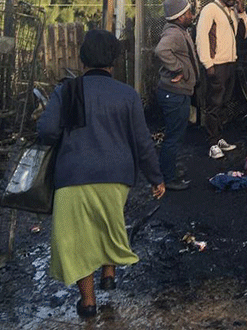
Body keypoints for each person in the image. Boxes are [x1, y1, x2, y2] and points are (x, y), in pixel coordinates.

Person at [37, 29, 165, 319]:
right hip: (116, 178)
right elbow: (142, 141)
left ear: (82, 58)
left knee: (80, 241)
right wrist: (156, 178)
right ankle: (109, 272)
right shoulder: (127, 95)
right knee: (108, 223)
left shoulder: (66, 91)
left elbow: (45, 131)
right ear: (113, 60)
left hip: (73, 176)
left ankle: (89, 303)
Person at [195, 0, 247, 159]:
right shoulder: (209, 10)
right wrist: (207, 64)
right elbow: (201, 37)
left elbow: (243, 33)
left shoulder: (232, 11)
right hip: (216, 65)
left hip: (230, 63)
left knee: (224, 102)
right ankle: (212, 142)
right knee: (213, 104)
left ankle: (219, 138)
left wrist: (241, 13)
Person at [154, 0, 199, 190]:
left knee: (175, 135)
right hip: (174, 94)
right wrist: (179, 69)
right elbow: (161, 50)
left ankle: (168, 170)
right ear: (180, 17)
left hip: (176, 93)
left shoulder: (179, 31)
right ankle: (169, 178)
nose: (191, 15)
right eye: (188, 12)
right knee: (173, 137)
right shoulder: (174, 33)